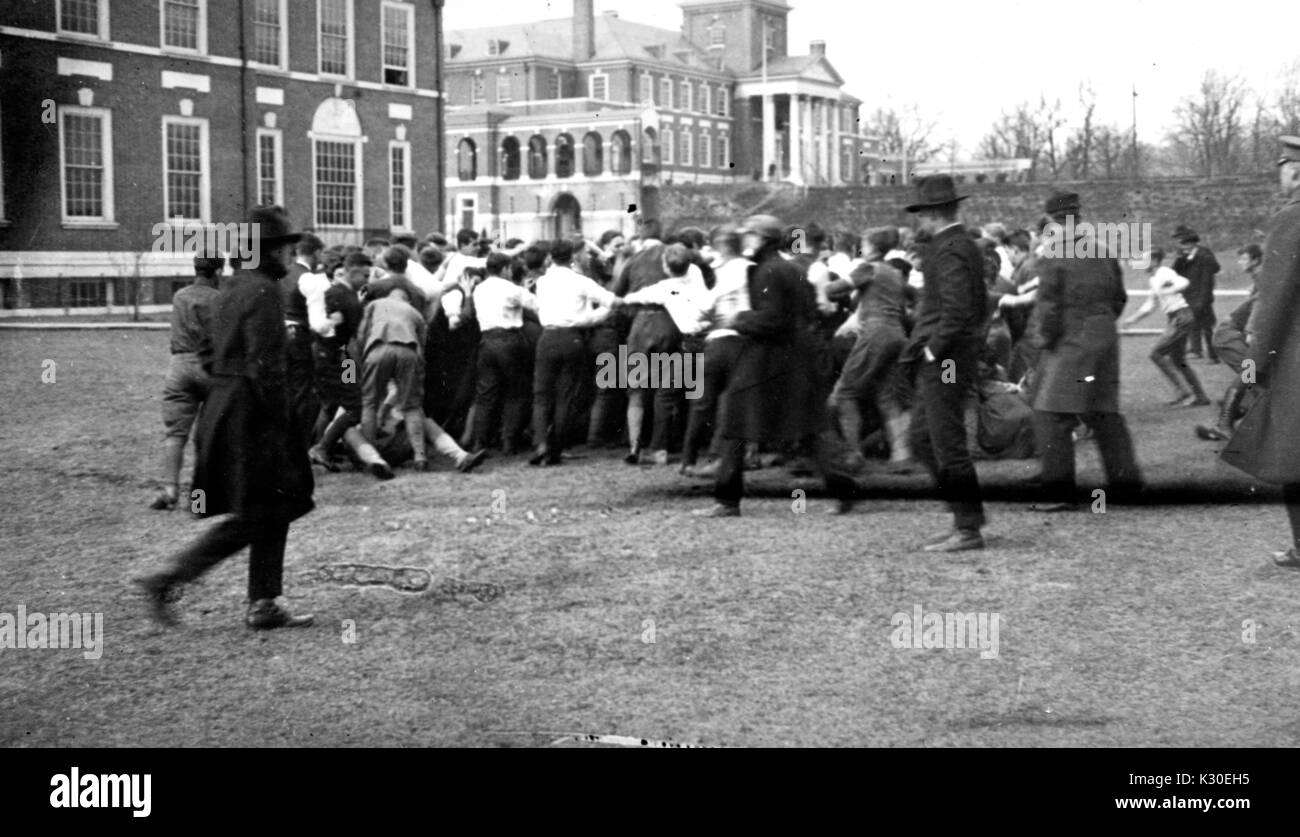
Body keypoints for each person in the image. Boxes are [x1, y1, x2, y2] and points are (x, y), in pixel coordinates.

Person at [135, 206, 315, 630]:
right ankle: (169, 578)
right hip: (253, 414)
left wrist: (227, 393)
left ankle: (264, 602)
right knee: (269, 507)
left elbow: (207, 354)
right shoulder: (268, 292)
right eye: (285, 248)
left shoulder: (229, 289)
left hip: (226, 408)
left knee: (273, 504)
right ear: (265, 252)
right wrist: (284, 423)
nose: (290, 255)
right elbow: (266, 367)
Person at [692, 215, 865, 518]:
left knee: (734, 421)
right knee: (807, 428)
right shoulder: (791, 268)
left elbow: (773, 320)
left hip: (768, 358)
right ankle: (844, 490)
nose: (745, 240)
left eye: (749, 235)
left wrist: (739, 319)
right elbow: (809, 310)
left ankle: (727, 501)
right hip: (795, 358)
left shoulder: (767, 271)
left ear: (762, 238)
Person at [1031, 191, 1143, 512]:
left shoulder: (1053, 254)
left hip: (1070, 340)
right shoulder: (1102, 250)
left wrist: (1044, 342)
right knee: (1103, 411)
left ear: (1052, 220)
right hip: (1105, 336)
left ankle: (1058, 492)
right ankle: (1128, 485)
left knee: (1050, 414)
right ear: (1078, 218)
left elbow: (1048, 309)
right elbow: (1119, 297)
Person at [1221, 135, 1300, 568]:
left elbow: (1272, 305)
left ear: (1294, 169)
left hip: (1295, 361)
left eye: (1283, 163)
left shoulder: (1291, 219)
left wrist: (1253, 369)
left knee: (1292, 455)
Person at [898, 175, 988, 550]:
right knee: (922, 437)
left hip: (947, 358)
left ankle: (967, 526)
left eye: (921, 213)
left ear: (933, 213)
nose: (919, 221)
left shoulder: (949, 247)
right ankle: (963, 515)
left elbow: (957, 310)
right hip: (951, 353)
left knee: (945, 439)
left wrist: (934, 350)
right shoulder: (956, 243)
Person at [826, 226, 914, 472]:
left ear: (873, 247)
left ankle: (853, 454)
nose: (861, 248)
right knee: (887, 396)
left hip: (874, 333)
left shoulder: (868, 268)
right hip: (896, 334)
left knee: (845, 394)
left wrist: (822, 285)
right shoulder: (894, 273)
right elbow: (910, 297)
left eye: (864, 244)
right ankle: (901, 455)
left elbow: (835, 290)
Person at [531, 237, 616, 465]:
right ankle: (556, 448)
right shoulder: (581, 282)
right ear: (572, 258)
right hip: (573, 338)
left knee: (541, 395)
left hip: (547, 336)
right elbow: (609, 300)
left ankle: (540, 443)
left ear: (550, 257)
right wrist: (593, 317)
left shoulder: (542, 282)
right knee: (565, 396)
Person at [149, 251, 222, 510]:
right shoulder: (219, 298)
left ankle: (169, 488)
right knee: (209, 433)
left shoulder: (179, 296)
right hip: (209, 367)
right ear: (219, 272)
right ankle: (200, 494)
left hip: (178, 365)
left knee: (175, 433)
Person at [358, 274, 431, 470]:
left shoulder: (375, 305)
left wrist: (360, 359)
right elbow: (422, 344)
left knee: (370, 403)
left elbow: (362, 333)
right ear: (406, 297)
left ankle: (371, 456)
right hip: (409, 352)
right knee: (412, 406)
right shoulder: (415, 313)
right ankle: (420, 457)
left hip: (378, 349)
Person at [1123, 248, 1211, 407]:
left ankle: (1183, 392)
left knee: (1156, 353)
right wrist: (1132, 320)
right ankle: (1201, 397)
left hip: (1181, 317)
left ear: (1155, 261)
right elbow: (1150, 305)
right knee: (1178, 360)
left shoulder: (1164, 272)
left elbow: (1184, 282)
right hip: (1176, 318)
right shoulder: (1153, 279)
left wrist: (1169, 288)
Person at [470, 251, 537, 454]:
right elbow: (535, 304)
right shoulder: (512, 289)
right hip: (510, 339)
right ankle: (509, 440)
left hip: (487, 341)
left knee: (486, 393)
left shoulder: (478, 289)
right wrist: (526, 290)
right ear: (506, 269)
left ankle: (479, 442)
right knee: (516, 392)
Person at [1197, 244, 1262, 441]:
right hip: (1230, 335)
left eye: (1243, 259)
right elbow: (1258, 306)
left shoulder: (1262, 276)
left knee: (1255, 377)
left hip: (1233, 332)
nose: (1240, 262)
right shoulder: (1265, 276)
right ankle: (1225, 421)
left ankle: (1235, 408)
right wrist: (1251, 333)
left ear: (1255, 260)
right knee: (1250, 374)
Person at [281, 233, 326, 449]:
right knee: (303, 391)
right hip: (300, 336)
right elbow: (318, 324)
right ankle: (299, 445)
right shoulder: (310, 279)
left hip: (279, 334)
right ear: (316, 252)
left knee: (286, 389)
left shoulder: (281, 274)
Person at [1172, 226, 1220, 363]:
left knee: (1207, 327)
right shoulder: (1184, 255)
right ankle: (1196, 350)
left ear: (1191, 243)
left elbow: (1210, 275)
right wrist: (1180, 259)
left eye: (1183, 243)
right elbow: (1174, 272)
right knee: (1193, 324)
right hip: (1189, 295)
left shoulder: (1204, 255)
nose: (1181, 246)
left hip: (1202, 296)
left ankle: (1213, 355)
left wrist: (1202, 300)